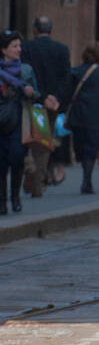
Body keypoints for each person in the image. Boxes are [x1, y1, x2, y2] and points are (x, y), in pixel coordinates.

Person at [22, 16, 72, 186]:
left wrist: (42, 96)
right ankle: (39, 179)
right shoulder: (62, 49)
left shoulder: (26, 48)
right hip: (54, 104)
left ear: (35, 30)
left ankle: (34, 171)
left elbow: (25, 75)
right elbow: (67, 77)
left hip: (32, 100)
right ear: (50, 30)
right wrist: (55, 97)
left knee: (33, 139)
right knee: (45, 141)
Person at [64, 43, 99, 194]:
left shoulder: (76, 71)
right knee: (91, 148)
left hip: (78, 116)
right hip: (98, 117)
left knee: (81, 147)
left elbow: (67, 92)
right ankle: (87, 179)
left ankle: (86, 176)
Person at [0, 29, 40, 214]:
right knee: (1, 164)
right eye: (14, 46)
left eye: (19, 46)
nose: (19, 50)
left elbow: (37, 94)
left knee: (16, 160)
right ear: (3, 50)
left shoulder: (26, 70)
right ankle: (2, 201)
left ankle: (15, 197)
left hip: (18, 122)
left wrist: (32, 93)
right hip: (1, 122)